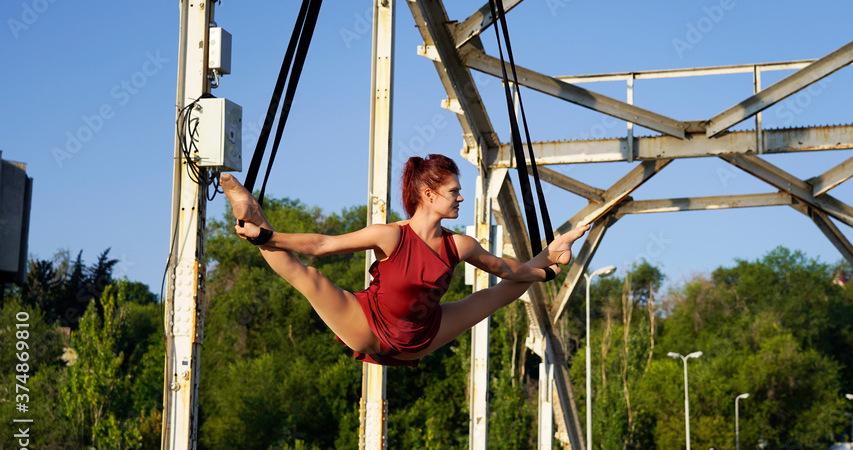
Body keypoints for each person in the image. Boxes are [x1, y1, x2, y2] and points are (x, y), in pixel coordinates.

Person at [218, 155, 589, 366]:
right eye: (454, 192)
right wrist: (268, 236)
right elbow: (321, 244)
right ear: (428, 194)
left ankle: (552, 255)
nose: (460, 198)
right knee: (309, 276)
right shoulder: (390, 235)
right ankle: (253, 213)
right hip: (370, 327)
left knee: (492, 297)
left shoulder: (460, 245)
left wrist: (548, 266)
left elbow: (507, 270)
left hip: (423, 335)